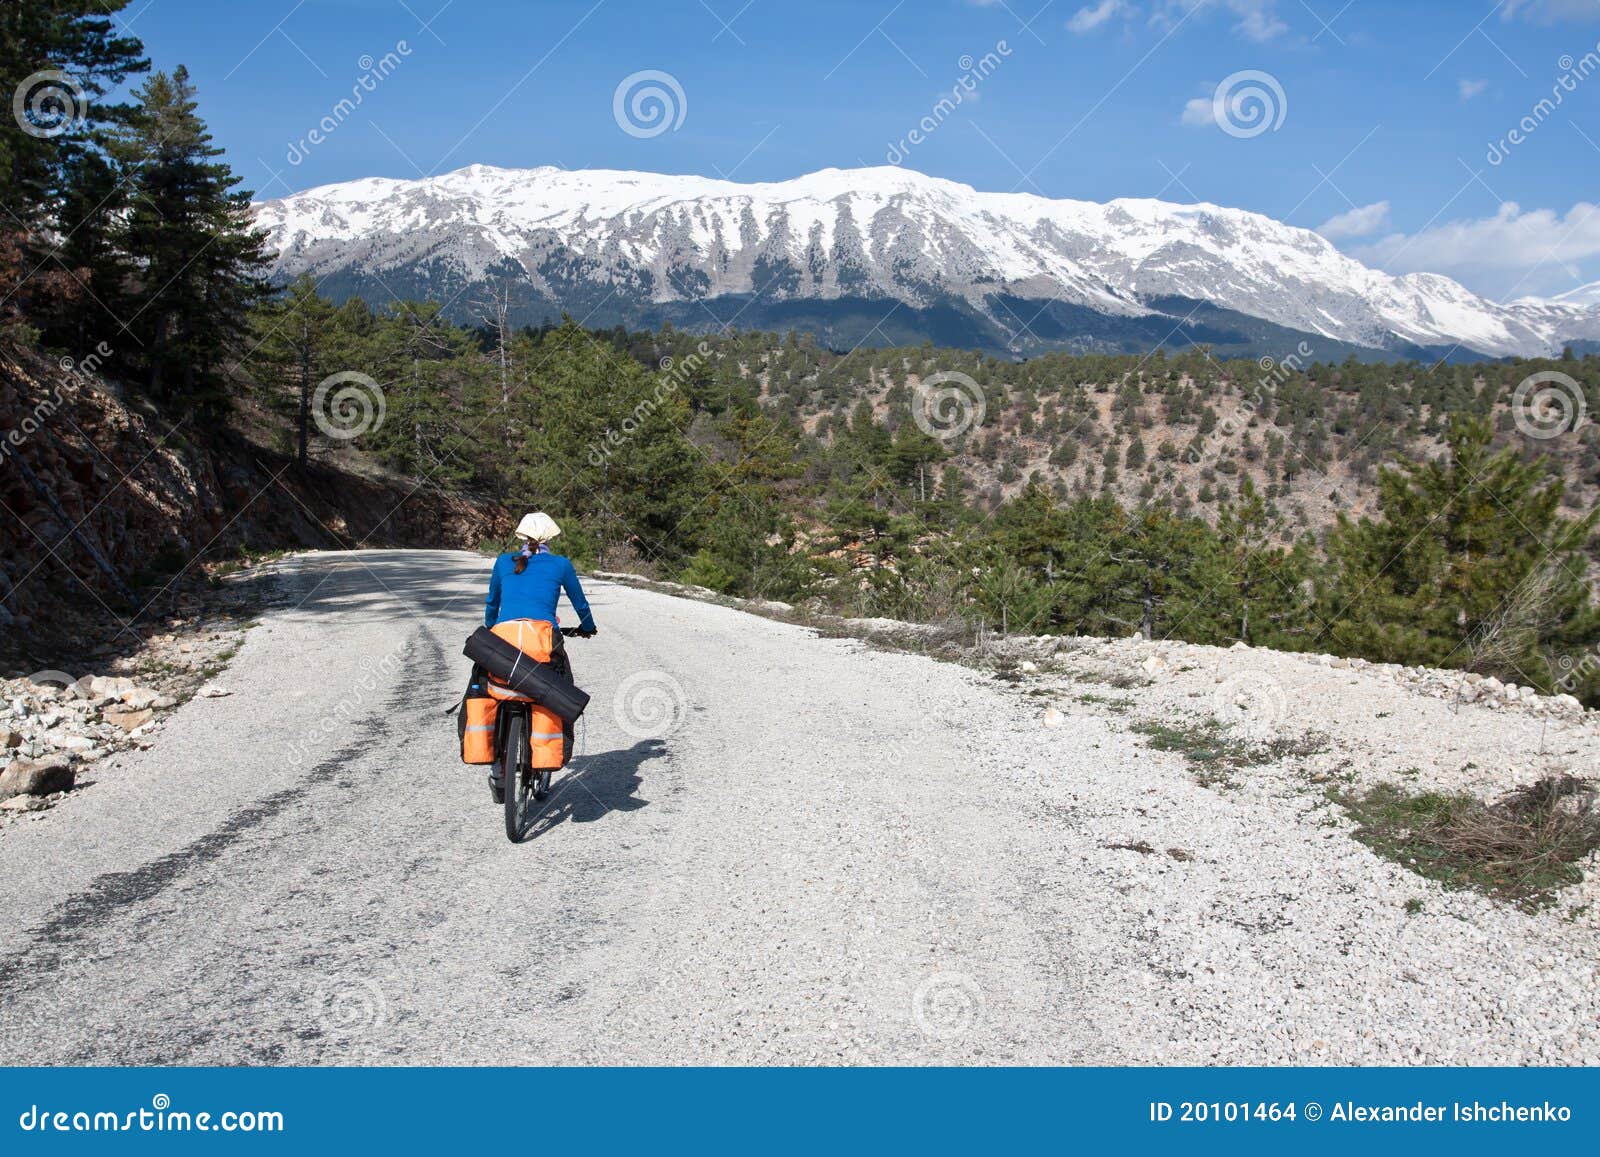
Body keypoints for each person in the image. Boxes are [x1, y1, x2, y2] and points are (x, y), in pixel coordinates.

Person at [484, 511, 597, 635]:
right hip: (543, 635)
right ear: (549, 537)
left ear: (524, 535)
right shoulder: (561, 564)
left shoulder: (503, 560)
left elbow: (492, 602)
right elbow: (580, 604)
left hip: (505, 633)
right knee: (556, 654)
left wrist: (491, 626)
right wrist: (588, 627)